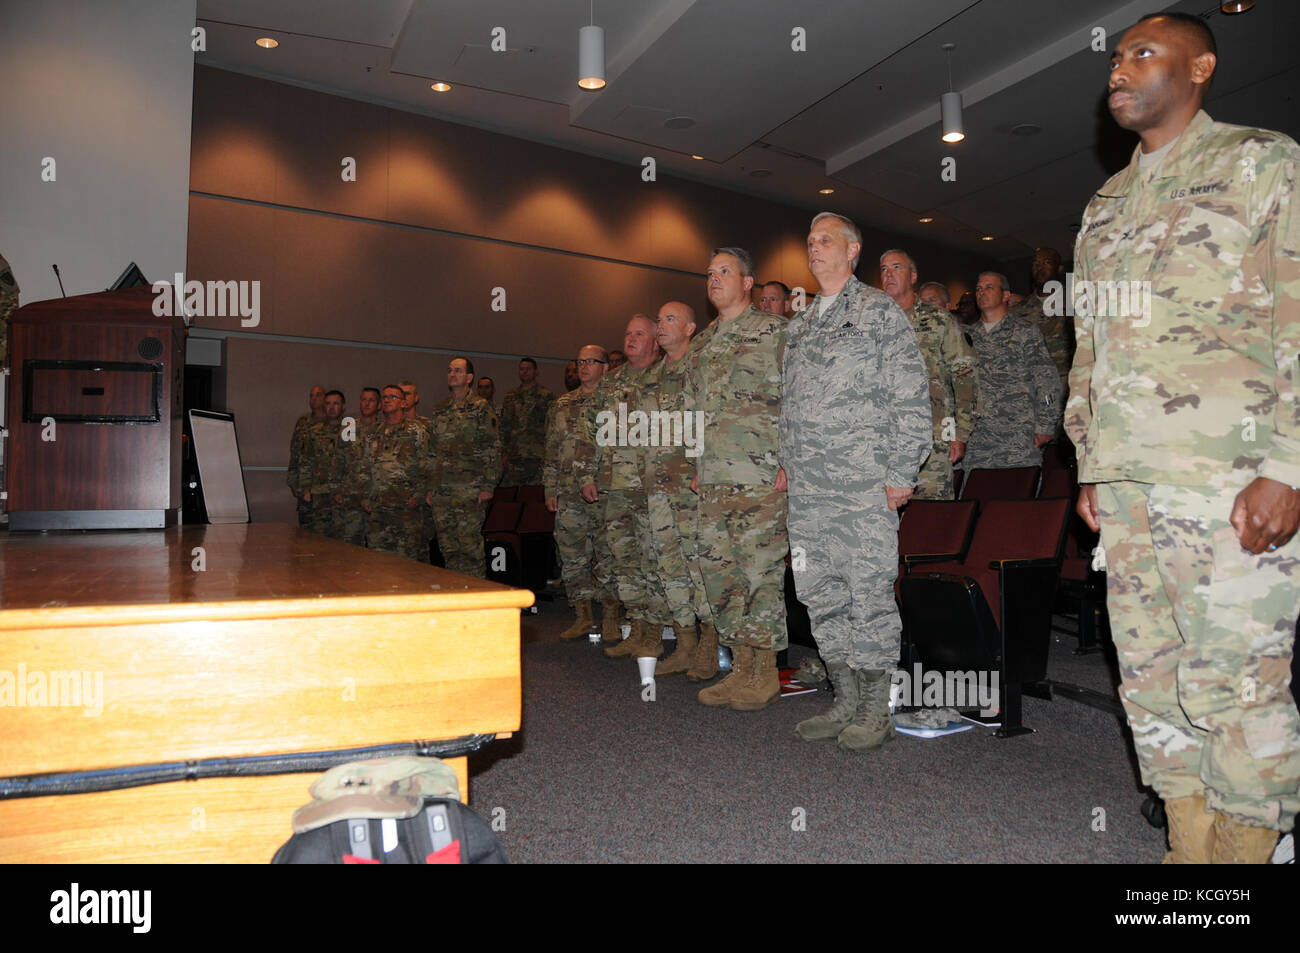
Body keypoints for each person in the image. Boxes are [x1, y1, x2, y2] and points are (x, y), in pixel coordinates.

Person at [1072, 12, 1300, 864]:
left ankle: (1243, 863)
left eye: (1142, 53)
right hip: (1130, 483)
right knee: (1153, 680)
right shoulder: (1106, 204)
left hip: (1231, 479)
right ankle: (1189, 858)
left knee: (1239, 683)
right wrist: (1091, 461)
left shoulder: (1261, 161)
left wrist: (1289, 465)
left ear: (1199, 66)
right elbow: (1088, 349)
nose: (1118, 72)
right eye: (1115, 59)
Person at [782, 212, 930, 751]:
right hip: (809, 492)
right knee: (819, 595)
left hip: (863, 484)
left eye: (825, 240)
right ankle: (844, 697)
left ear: (852, 252)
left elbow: (910, 395)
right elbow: (791, 408)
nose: (814, 247)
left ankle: (875, 708)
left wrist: (901, 473)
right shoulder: (799, 326)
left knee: (867, 594)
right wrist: (786, 463)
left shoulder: (877, 311)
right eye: (809, 240)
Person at [688, 248, 788, 710]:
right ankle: (740, 666)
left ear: (748, 282)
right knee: (720, 576)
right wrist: (693, 465)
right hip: (710, 477)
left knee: (759, 573)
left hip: (758, 474)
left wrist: (792, 461)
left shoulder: (774, 330)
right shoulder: (704, 341)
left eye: (724, 271)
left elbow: (798, 399)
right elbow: (692, 411)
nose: (714, 279)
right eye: (709, 273)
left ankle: (765, 671)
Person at [576, 315, 669, 660]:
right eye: (627, 333)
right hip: (615, 488)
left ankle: (655, 633)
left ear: (655, 342)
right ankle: (637, 628)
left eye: (639, 334)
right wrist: (586, 475)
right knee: (624, 561)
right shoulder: (610, 384)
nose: (631, 339)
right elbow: (591, 432)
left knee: (653, 560)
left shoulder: (666, 377)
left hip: (652, 488)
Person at [643, 301, 718, 679]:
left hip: (691, 485)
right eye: (658, 320)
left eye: (670, 319)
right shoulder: (653, 375)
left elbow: (711, 421)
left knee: (697, 564)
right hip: (658, 487)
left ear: (690, 329)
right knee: (669, 566)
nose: (661, 325)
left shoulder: (700, 366)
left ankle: (708, 642)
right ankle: (685, 642)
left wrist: (703, 469)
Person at [880, 249, 978, 500]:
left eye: (896, 268)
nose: (888, 274)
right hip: (880, 443)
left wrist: (961, 433)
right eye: (883, 269)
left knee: (931, 521)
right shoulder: (873, 322)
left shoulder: (938, 320)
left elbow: (965, 376)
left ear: (913, 277)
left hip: (931, 440)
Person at [544, 345, 617, 641]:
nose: (584, 366)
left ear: (605, 367)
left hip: (605, 488)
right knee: (572, 554)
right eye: (580, 362)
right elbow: (551, 448)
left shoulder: (615, 400)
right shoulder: (562, 404)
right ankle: (583, 615)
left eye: (591, 361)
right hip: (568, 488)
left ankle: (611, 616)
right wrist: (550, 487)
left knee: (608, 552)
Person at [962, 272, 1059, 470]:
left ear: (1006, 295)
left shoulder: (1025, 332)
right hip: (977, 440)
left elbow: (1046, 379)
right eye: (979, 288)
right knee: (977, 496)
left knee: (1016, 498)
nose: (982, 292)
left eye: (989, 287)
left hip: (1018, 436)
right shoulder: (967, 336)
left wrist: (1046, 427)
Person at [427, 357, 501, 577]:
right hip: (443, 491)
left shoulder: (480, 407)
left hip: (470, 489)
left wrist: (488, 486)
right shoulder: (440, 409)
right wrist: (431, 486)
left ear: (469, 378)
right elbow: (432, 452)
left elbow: (493, 447)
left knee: (469, 550)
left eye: (458, 371)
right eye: (450, 370)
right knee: (449, 549)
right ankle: (456, 599)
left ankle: (476, 601)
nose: (452, 374)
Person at [361, 385, 429, 562]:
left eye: (392, 397)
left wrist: (419, 495)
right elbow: (365, 467)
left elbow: (428, 464)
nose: (387, 400)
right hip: (378, 508)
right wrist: (365, 497)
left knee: (406, 561)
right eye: (384, 397)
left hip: (405, 506)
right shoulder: (373, 432)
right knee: (378, 560)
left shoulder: (416, 430)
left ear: (404, 403)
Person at [1009, 247, 1073, 421]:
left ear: (1059, 269)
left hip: (1067, 392)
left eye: (1046, 262)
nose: (1040, 267)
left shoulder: (1074, 304)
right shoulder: (1018, 311)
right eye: (1036, 264)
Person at [499, 357, 555, 487]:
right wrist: (503, 453)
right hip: (514, 455)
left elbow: (552, 425)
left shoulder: (546, 395)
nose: (525, 372)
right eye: (522, 369)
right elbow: (505, 426)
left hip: (537, 455)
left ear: (536, 372)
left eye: (528, 369)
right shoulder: (511, 396)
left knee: (534, 496)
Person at [286, 385, 326, 526]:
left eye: (318, 395)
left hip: (325, 487)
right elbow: (295, 451)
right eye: (311, 396)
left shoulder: (335, 423)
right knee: (305, 530)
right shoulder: (303, 422)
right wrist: (292, 481)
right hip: (305, 484)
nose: (314, 399)